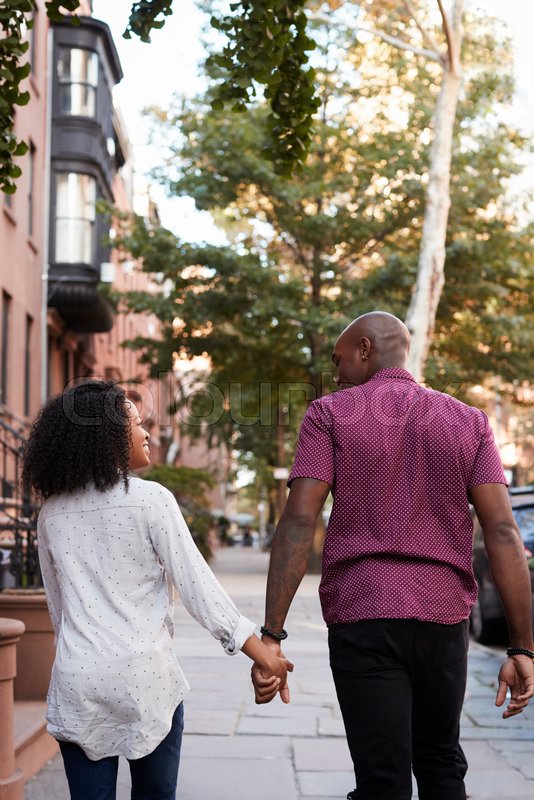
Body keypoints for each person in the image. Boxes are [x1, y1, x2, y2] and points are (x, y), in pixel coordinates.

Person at [251, 311, 534, 800]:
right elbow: (504, 532)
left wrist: (272, 635)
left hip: (363, 611)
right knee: (441, 762)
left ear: (365, 349)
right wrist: (523, 647)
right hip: (442, 616)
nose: (336, 374)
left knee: (381, 777)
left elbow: (299, 521)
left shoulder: (329, 414)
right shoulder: (469, 421)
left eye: (340, 360)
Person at [22, 380, 290, 800]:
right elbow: (198, 588)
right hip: (146, 681)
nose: (147, 432)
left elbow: (60, 612)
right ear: (106, 437)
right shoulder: (150, 500)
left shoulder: (51, 513)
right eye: (136, 424)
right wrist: (263, 655)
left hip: (79, 683)